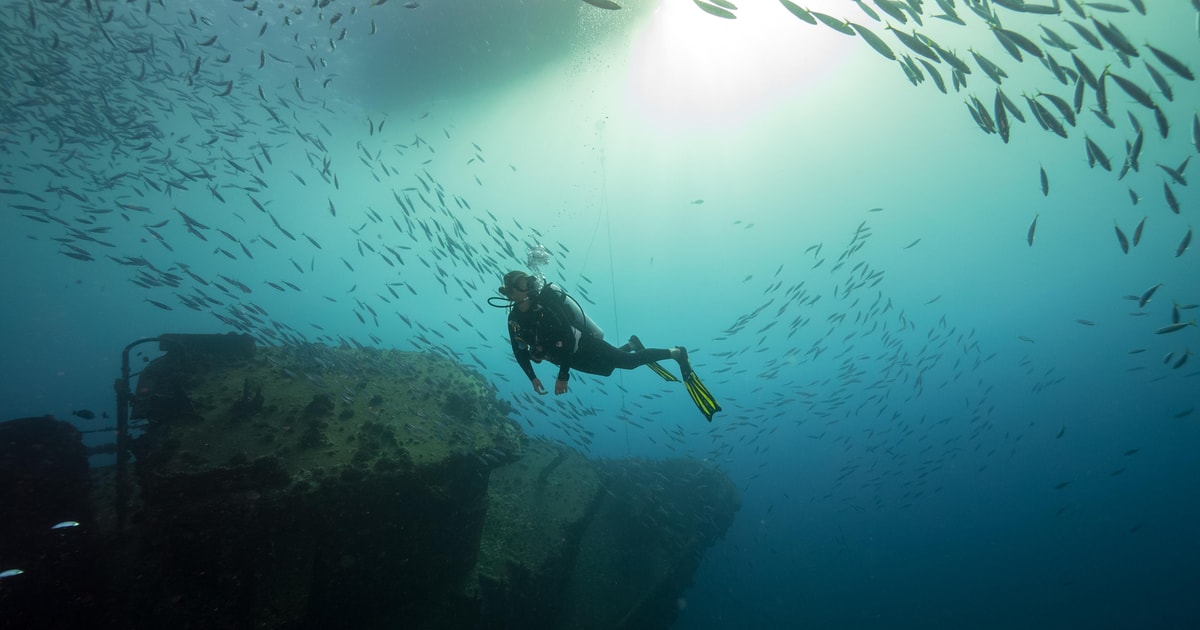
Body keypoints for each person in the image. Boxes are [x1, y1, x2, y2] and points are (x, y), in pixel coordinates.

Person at [497, 270, 721, 421]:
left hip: (582, 343)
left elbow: (566, 336)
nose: (516, 291)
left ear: (527, 288)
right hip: (564, 356)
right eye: (512, 288)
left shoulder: (547, 305)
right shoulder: (513, 318)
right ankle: (631, 344)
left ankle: (677, 353)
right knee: (606, 370)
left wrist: (563, 375)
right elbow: (519, 351)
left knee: (629, 364)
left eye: (521, 285)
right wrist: (533, 377)